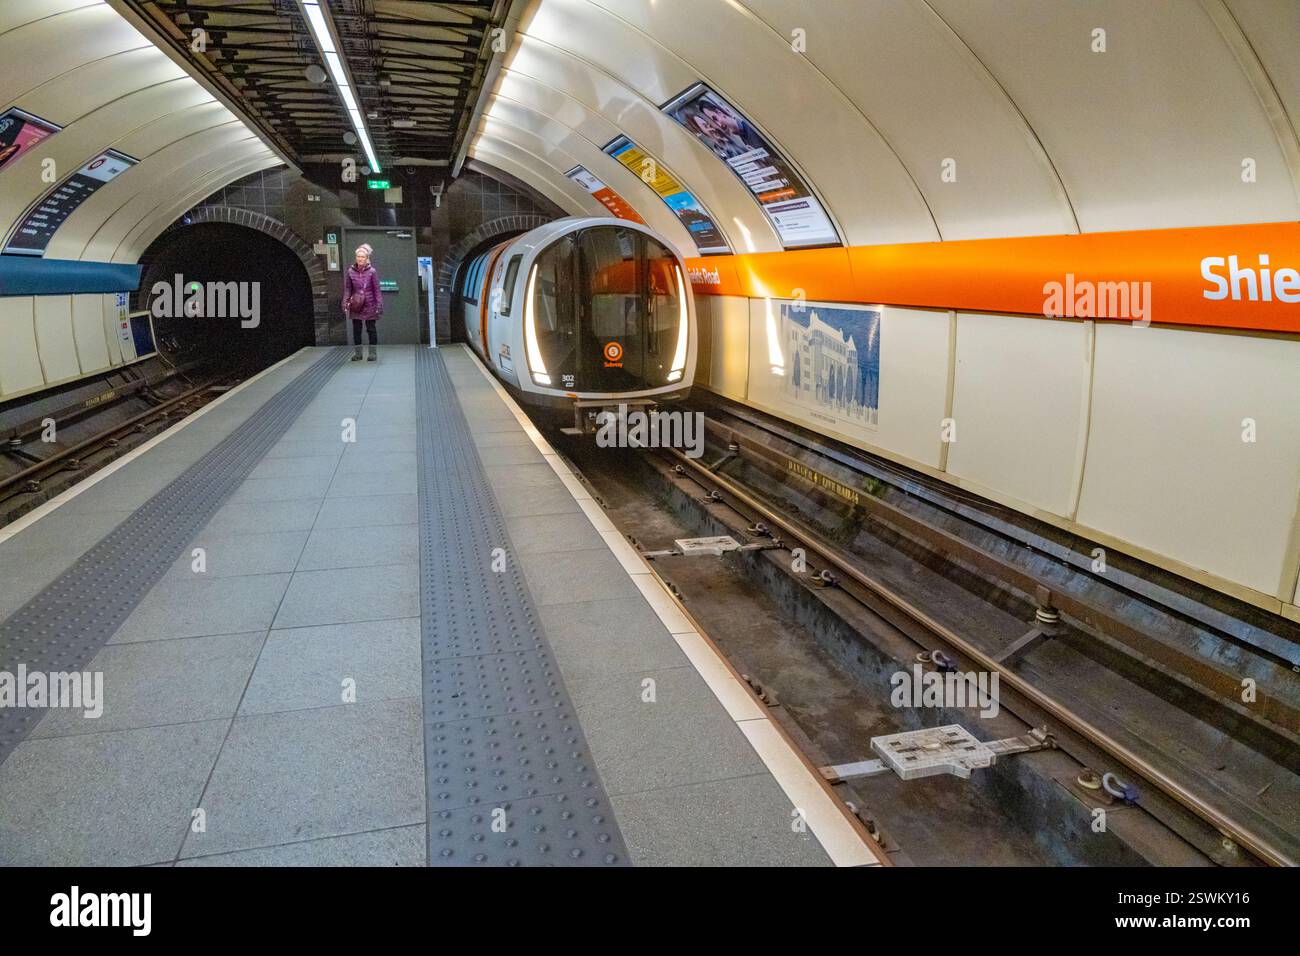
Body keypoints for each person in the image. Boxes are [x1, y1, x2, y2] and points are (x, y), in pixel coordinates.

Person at [343, 243, 382, 361]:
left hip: (370, 304)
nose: (360, 258)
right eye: (358, 256)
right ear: (356, 257)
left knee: (371, 328)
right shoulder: (350, 271)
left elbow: (377, 289)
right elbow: (348, 288)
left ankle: (372, 353)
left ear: (367, 258)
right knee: (356, 329)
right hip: (356, 304)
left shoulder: (372, 272)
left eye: (362, 256)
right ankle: (358, 354)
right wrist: (345, 302)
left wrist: (379, 304)